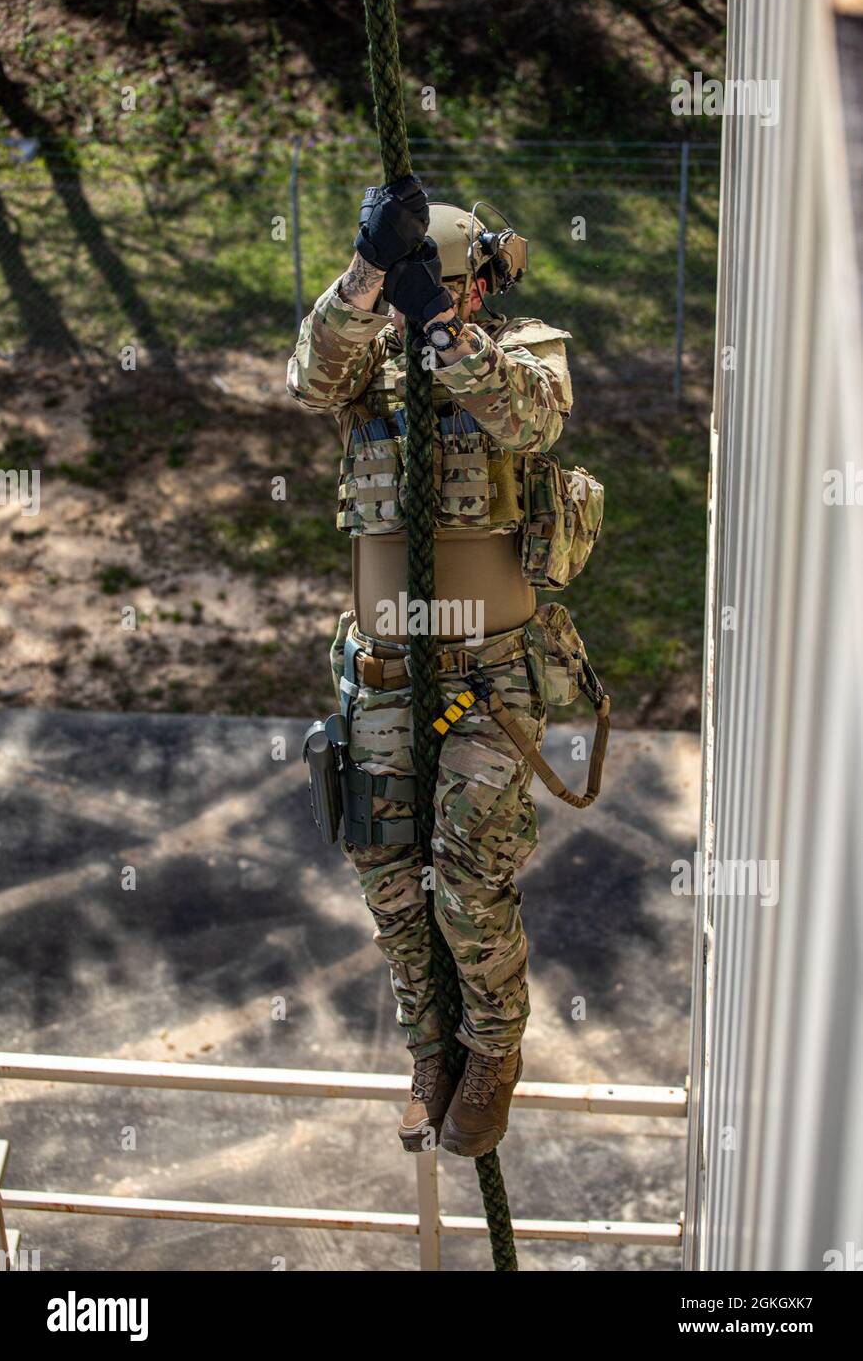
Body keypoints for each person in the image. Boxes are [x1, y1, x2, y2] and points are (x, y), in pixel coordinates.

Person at [287, 175, 573, 1157]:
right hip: (385, 670)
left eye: (448, 288)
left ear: (479, 286)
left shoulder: (522, 351)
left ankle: (491, 1052)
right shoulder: (366, 363)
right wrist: (366, 277)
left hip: (486, 676)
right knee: (386, 875)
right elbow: (307, 378)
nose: (436, 306)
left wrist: (445, 333)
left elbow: (531, 420)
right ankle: (428, 1053)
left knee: (465, 877)